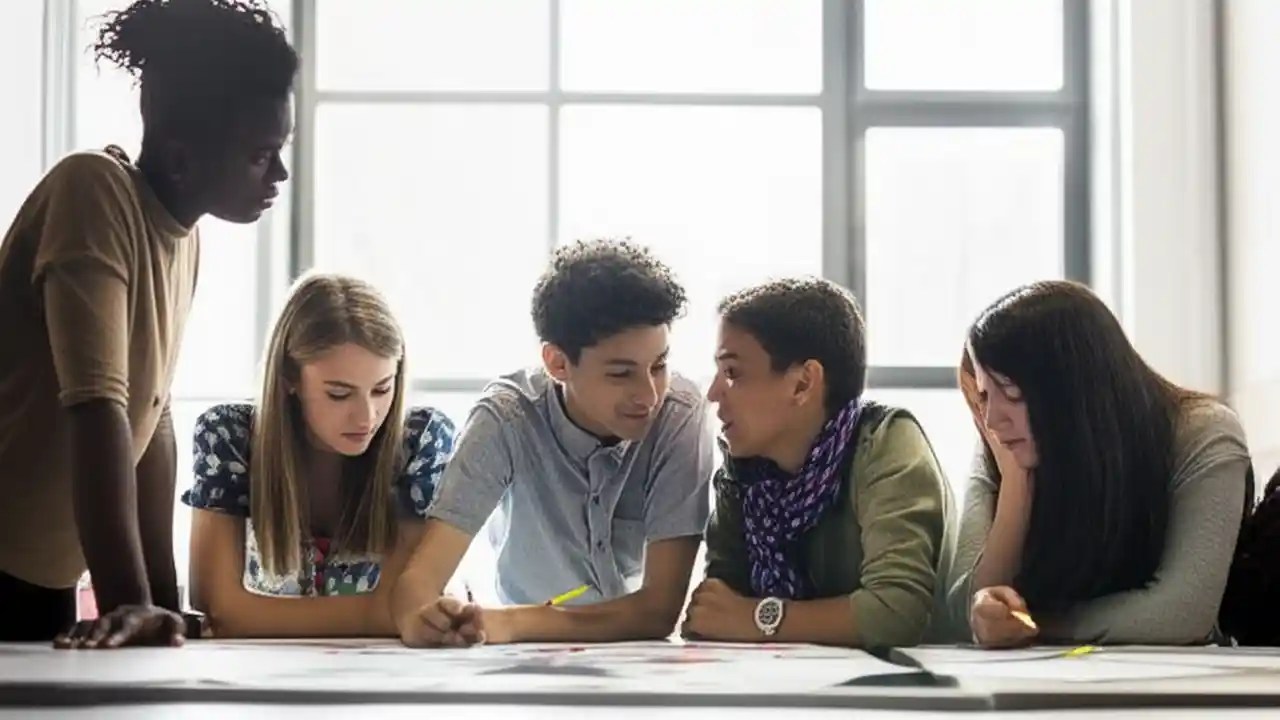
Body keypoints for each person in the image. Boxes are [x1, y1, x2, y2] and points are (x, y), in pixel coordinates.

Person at [0, 0, 296, 646]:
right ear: (184, 159)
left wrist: (161, 602)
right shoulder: (94, 194)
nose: (279, 173)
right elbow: (97, 407)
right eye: (261, 154)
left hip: (42, 576)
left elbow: (148, 419)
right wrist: (126, 600)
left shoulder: (182, 238)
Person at [392, 239, 713, 647]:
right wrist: (425, 617)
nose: (649, 394)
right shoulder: (506, 418)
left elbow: (658, 612)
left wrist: (510, 624)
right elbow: (419, 581)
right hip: (527, 664)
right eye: (621, 374)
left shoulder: (680, 415)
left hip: (633, 661)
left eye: (660, 365)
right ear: (557, 363)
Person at [949, 280, 1252, 647]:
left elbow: (1180, 614)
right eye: (984, 394)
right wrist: (1017, 487)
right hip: (1045, 681)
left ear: (1073, 389)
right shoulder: (1001, 444)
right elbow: (960, 616)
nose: (993, 419)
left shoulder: (1202, 433)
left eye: (1011, 392)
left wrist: (1029, 623)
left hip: (1173, 688)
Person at [687, 277, 954, 647]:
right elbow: (713, 612)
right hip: (795, 686)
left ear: (803, 384)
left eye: (732, 373)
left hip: (905, 690)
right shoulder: (744, 473)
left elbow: (896, 612)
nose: (713, 393)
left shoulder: (885, 443)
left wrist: (757, 617)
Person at [184, 273, 454, 637]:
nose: (367, 416)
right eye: (339, 394)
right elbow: (217, 607)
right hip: (258, 676)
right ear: (288, 379)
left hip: (388, 676)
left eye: (381, 389)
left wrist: (256, 615)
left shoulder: (422, 440)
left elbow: (409, 604)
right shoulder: (229, 436)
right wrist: (378, 614)